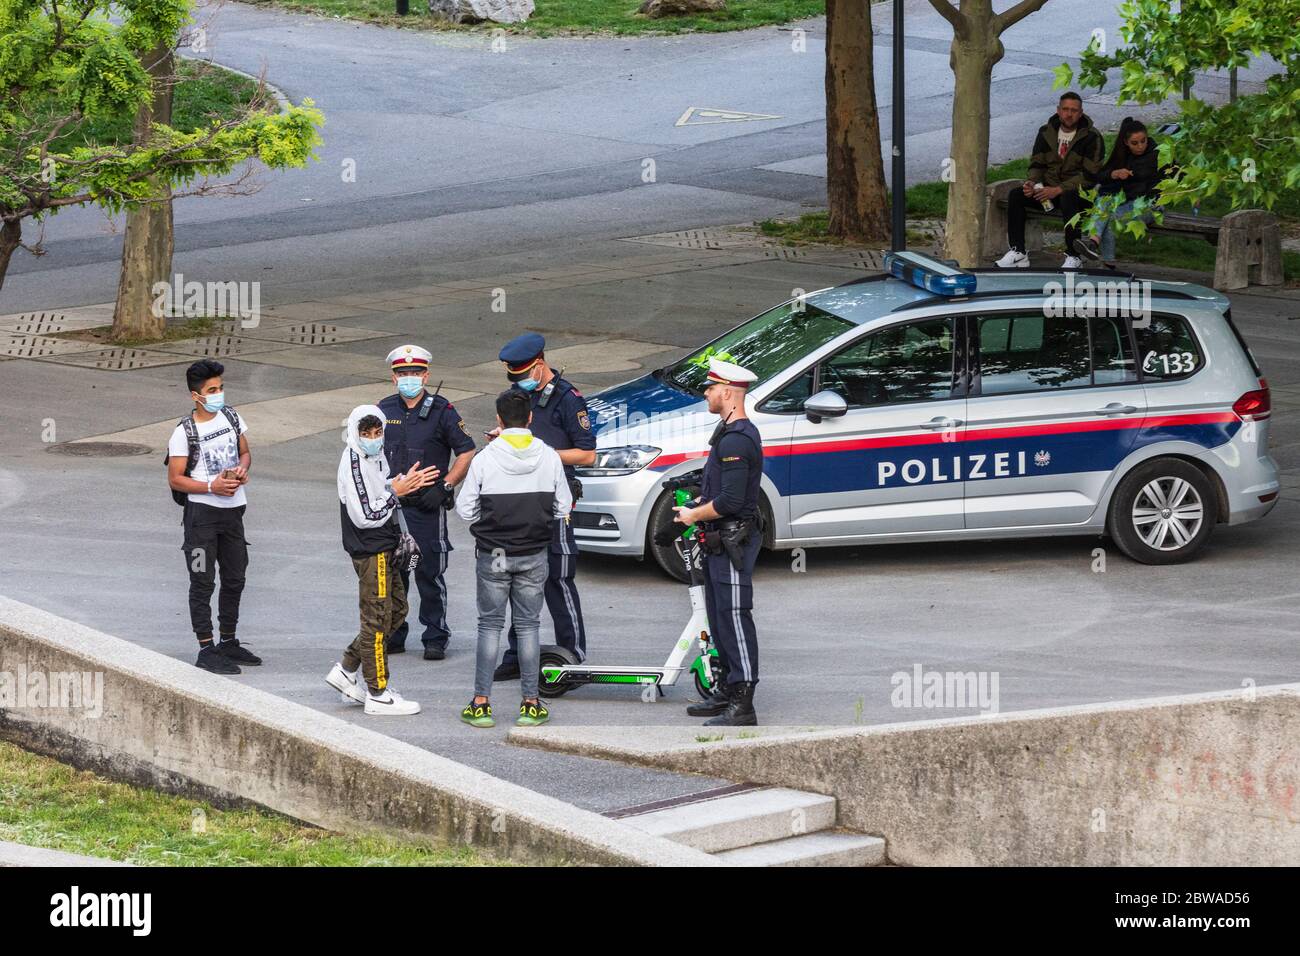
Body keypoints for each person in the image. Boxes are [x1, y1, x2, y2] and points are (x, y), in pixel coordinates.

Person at [456, 389, 572, 728]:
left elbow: (465, 509)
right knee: (529, 628)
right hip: (534, 553)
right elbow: (563, 506)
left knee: (489, 626)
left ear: (499, 420)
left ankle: (481, 703)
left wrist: (489, 520)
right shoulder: (549, 456)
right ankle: (531, 703)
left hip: (494, 554)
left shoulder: (485, 458)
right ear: (531, 418)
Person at [490, 333, 596, 682]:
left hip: (555, 500)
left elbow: (587, 454)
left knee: (557, 579)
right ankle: (517, 654)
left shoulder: (568, 399)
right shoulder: (519, 396)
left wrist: (538, 452)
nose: (518, 379)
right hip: (521, 499)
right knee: (520, 577)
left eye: (523, 372)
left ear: (540, 364)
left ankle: (574, 652)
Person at [325, 405, 439, 716]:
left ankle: (347, 669)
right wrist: (396, 493)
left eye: (377, 433)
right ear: (355, 433)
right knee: (376, 619)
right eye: (366, 434)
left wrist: (397, 485)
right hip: (370, 548)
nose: (373, 439)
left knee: (398, 610)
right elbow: (366, 516)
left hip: (386, 545)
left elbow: (380, 493)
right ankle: (377, 692)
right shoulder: (353, 463)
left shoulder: (375, 457)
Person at [672, 358, 764, 727]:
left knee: (735, 618)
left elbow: (731, 501)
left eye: (711, 388)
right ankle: (727, 688)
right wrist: (694, 501)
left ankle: (744, 703)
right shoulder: (727, 434)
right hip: (718, 540)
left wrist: (694, 514)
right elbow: (717, 488)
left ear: (728, 392)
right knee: (720, 617)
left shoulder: (738, 439)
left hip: (732, 542)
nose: (707, 394)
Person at [379, 345, 476, 661]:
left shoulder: (442, 411)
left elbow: (466, 451)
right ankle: (394, 632)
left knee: (428, 573)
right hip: (392, 506)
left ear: (426, 375)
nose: (409, 378)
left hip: (426, 506)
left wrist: (446, 485)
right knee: (395, 573)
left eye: (415, 373)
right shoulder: (383, 410)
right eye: (403, 373)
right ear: (394, 378)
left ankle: (435, 636)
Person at [166, 359, 260, 675]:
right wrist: (211, 485)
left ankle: (229, 641)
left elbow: (245, 452)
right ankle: (206, 648)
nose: (218, 394)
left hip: (233, 512)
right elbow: (175, 478)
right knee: (202, 581)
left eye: (220, 388)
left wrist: (242, 470)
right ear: (196, 396)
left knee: (235, 577)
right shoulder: (184, 432)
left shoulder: (231, 416)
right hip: (201, 518)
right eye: (211, 390)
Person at [995, 91, 1105, 271]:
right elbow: (1037, 164)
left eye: (1074, 110)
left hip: (1081, 196)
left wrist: (1058, 189)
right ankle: (1018, 252)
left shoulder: (1092, 137)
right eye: (1065, 109)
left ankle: (1074, 256)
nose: (1069, 114)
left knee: (1068, 196)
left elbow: (1090, 176)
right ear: (1058, 110)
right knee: (1016, 195)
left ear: (1081, 112)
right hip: (1049, 192)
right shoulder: (1046, 132)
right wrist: (1032, 183)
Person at [1074, 117, 1166, 267]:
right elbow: (1100, 177)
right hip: (1127, 203)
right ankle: (1092, 244)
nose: (1140, 146)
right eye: (1134, 143)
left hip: (1150, 205)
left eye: (1143, 140)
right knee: (1104, 202)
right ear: (1126, 143)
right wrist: (1114, 174)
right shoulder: (1123, 155)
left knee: (1111, 218)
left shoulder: (1158, 153)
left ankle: (1102, 256)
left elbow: (1178, 174)